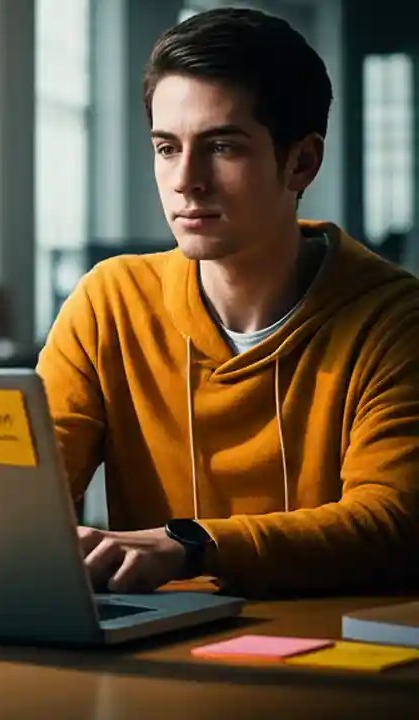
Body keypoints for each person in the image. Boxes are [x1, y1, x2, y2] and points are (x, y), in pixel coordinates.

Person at [37, 7, 419, 597]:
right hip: (156, 650)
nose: (187, 179)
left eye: (222, 147)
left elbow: (394, 520)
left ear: (302, 162)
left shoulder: (393, 319)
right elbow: (22, 501)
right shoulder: (109, 302)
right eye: (167, 148)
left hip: (333, 658)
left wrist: (192, 545)